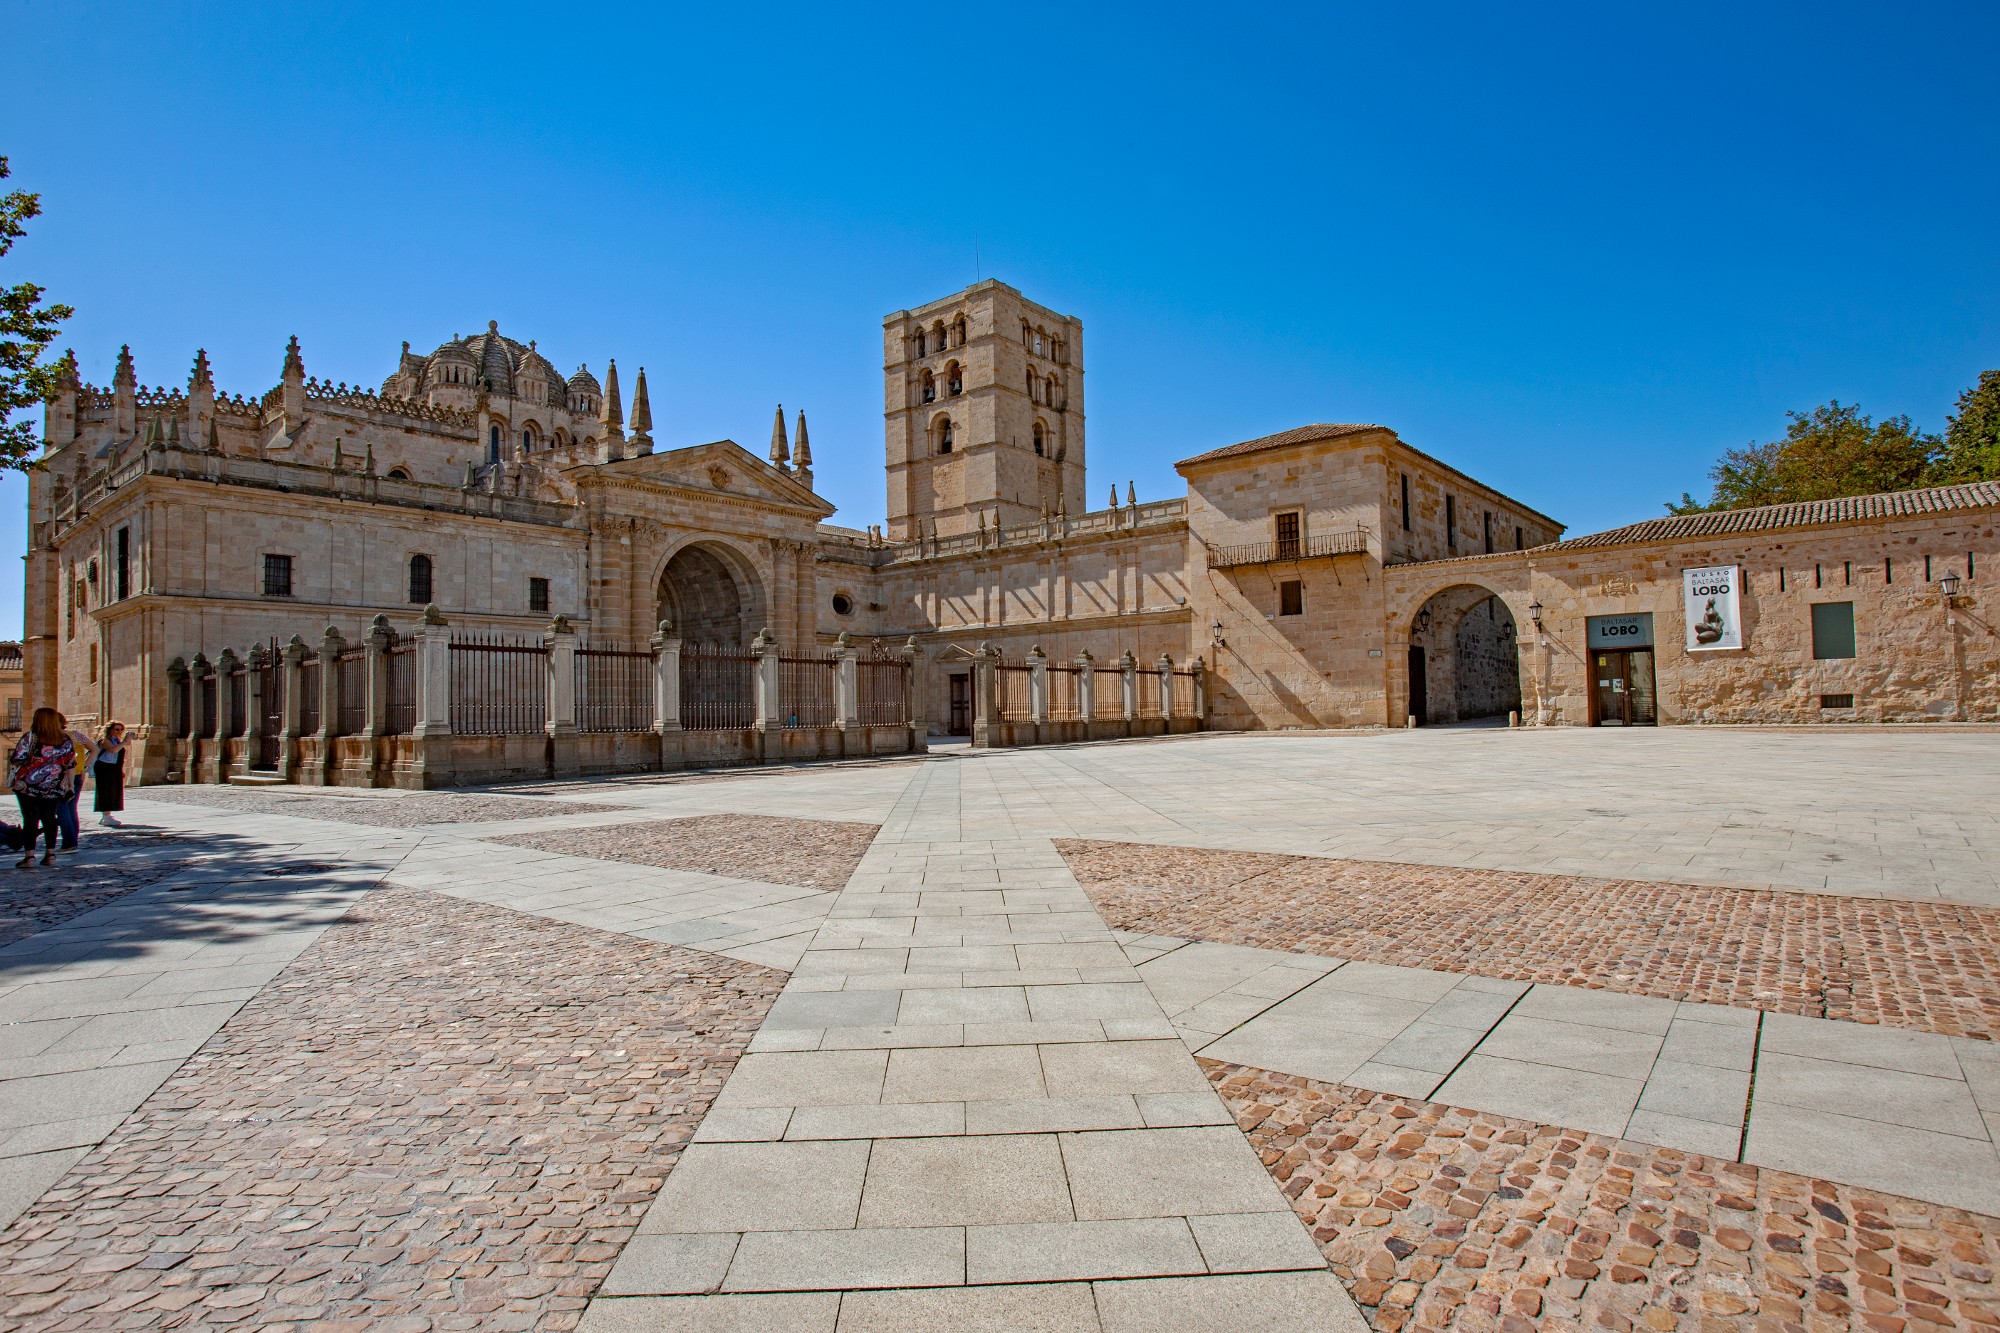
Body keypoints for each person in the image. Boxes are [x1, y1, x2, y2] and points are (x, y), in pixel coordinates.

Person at [9, 708, 75, 867]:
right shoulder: (65, 740)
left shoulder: (30, 738)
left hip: (27, 785)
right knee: (49, 818)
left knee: (30, 819)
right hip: (53, 785)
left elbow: (17, 759)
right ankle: (50, 853)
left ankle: (29, 856)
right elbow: (71, 763)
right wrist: (70, 785)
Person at [56, 714, 97, 851]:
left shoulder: (56, 738)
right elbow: (94, 749)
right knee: (72, 808)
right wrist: (84, 767)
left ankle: (69, 842)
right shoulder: (75, 735)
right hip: (78, 773)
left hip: (62, 775)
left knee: (62, 809)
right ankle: (73, 840)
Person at [93, 721, 127, 827]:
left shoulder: (116, 740)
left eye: (121, 730)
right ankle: (106, 815)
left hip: (114, 768)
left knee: (113, 791)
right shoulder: (104, 740)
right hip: (104, 768)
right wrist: (125, 741)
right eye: (116, 729)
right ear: (110, 729)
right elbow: (112, 750)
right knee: (105, 790)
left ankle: (107, 815)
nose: (119, 732)